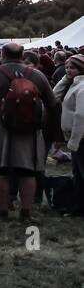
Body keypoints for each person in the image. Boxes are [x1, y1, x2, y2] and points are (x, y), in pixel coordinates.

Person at [0, 43, 55, 223]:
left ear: (2, 54)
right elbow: (52, 103)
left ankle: (3, 213)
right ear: (22, 55)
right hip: (30, 130)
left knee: (1, 172)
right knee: (28, 173)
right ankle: (26, 213)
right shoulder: (37, 75)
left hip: (0, 128)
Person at [53, 53, 84, 216]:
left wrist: (74, 141)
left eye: (72, 67)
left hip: (80, 138)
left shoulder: (82, 87)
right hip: (75, 137)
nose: (67, 70)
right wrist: (65, 79)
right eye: (66, 67)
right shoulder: (74, 84)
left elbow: (81, 116)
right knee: (78, 175)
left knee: (81, 173)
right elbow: (54, 96)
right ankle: (78, 207)